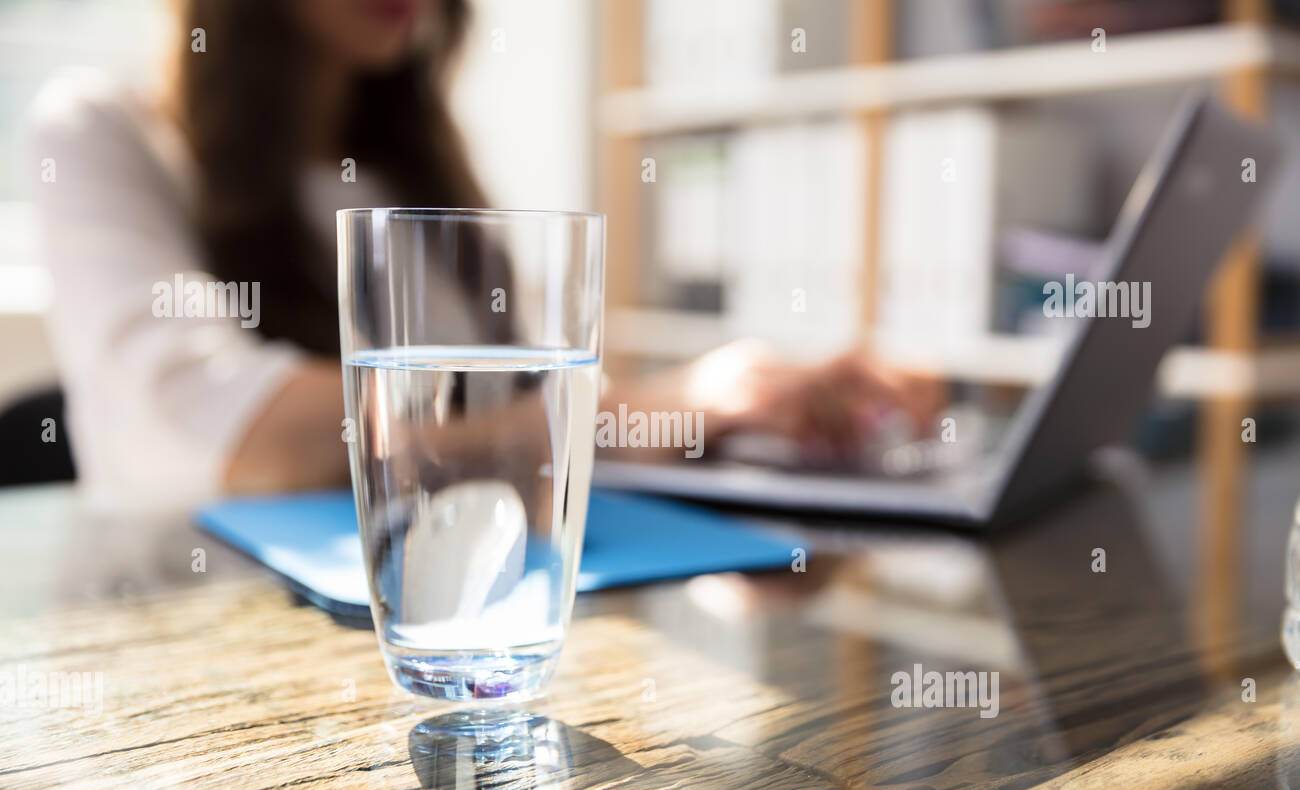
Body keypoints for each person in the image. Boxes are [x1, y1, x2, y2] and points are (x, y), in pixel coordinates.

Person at [26, 0, 938, 505]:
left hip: (460, 592)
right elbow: (229, 429)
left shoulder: (412, 173)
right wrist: (658, 408)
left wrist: (735, 413)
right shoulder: (104, 133)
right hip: (203, 653)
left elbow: (512, 423)